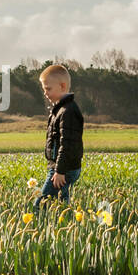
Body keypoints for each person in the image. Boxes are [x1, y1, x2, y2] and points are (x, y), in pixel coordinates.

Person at [34, 64, 84, 210]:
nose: (45, 93)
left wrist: (60, 170)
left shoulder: (67, 111)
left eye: (48, 89)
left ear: (62, 86)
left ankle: (40, 227)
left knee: (40, 206)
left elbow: (67, 144)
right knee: (61, 204)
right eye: (44, 89)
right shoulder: (60, 109)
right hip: (62, 167)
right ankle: (65, 225)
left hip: (63, 168)